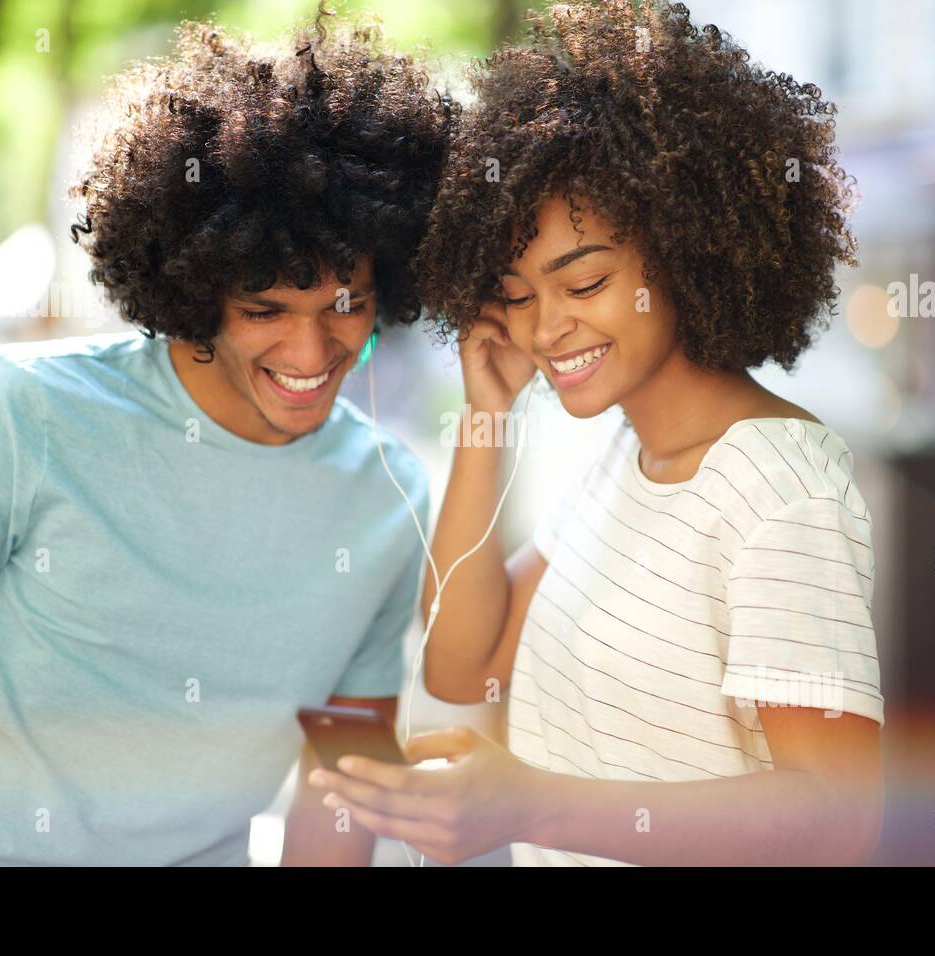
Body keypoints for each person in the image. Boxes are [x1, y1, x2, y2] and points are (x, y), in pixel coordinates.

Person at [0, 17, 452, 866]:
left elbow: (345, 770)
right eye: (265, 310)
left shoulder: (390, 496)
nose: (312, 355)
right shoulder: (25, 415)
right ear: (197, 289)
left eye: (343, 304)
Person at [309, 0, 884, 866]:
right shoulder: (632, 454)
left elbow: (838, 821)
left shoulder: (779, 487)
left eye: (585, 284)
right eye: (517, 293)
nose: (545, 330)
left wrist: (529, 807)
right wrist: (485, 416)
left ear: (687, 249)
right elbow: (461, 667)